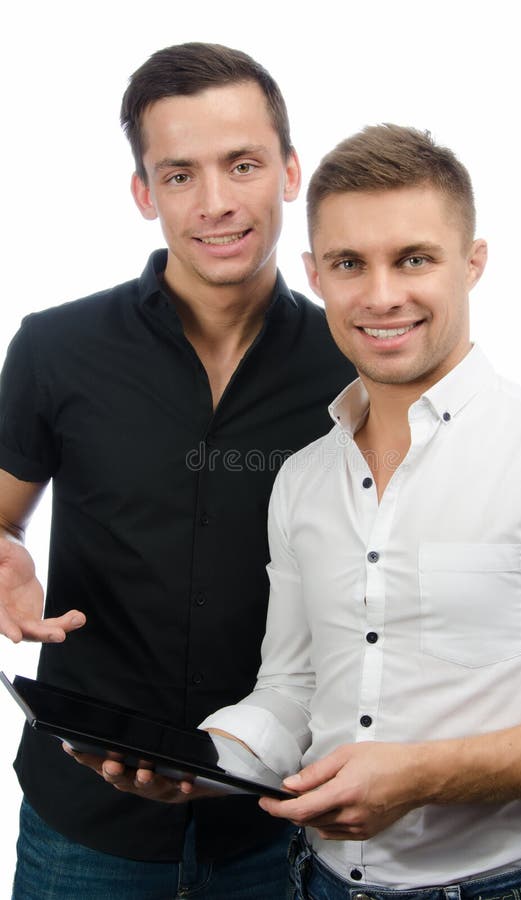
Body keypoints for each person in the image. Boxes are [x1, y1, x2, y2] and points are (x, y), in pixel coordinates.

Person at [193, 124, 521, 898]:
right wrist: (200, 762)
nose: (381, 296)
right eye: (349, 264)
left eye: (414, 258)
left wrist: (421, 775)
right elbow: (295, 687)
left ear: (473, 263)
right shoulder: (303, 481)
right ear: (314, 274)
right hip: (312, 881)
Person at [0, 42, 354, 900]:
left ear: (290, 171)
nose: (218, 203)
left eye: (243, 165)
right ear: (143, 193)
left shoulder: (355, 363)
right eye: (180, 174)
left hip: (282, 821)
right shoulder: (55, 348)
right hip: (83, 826)